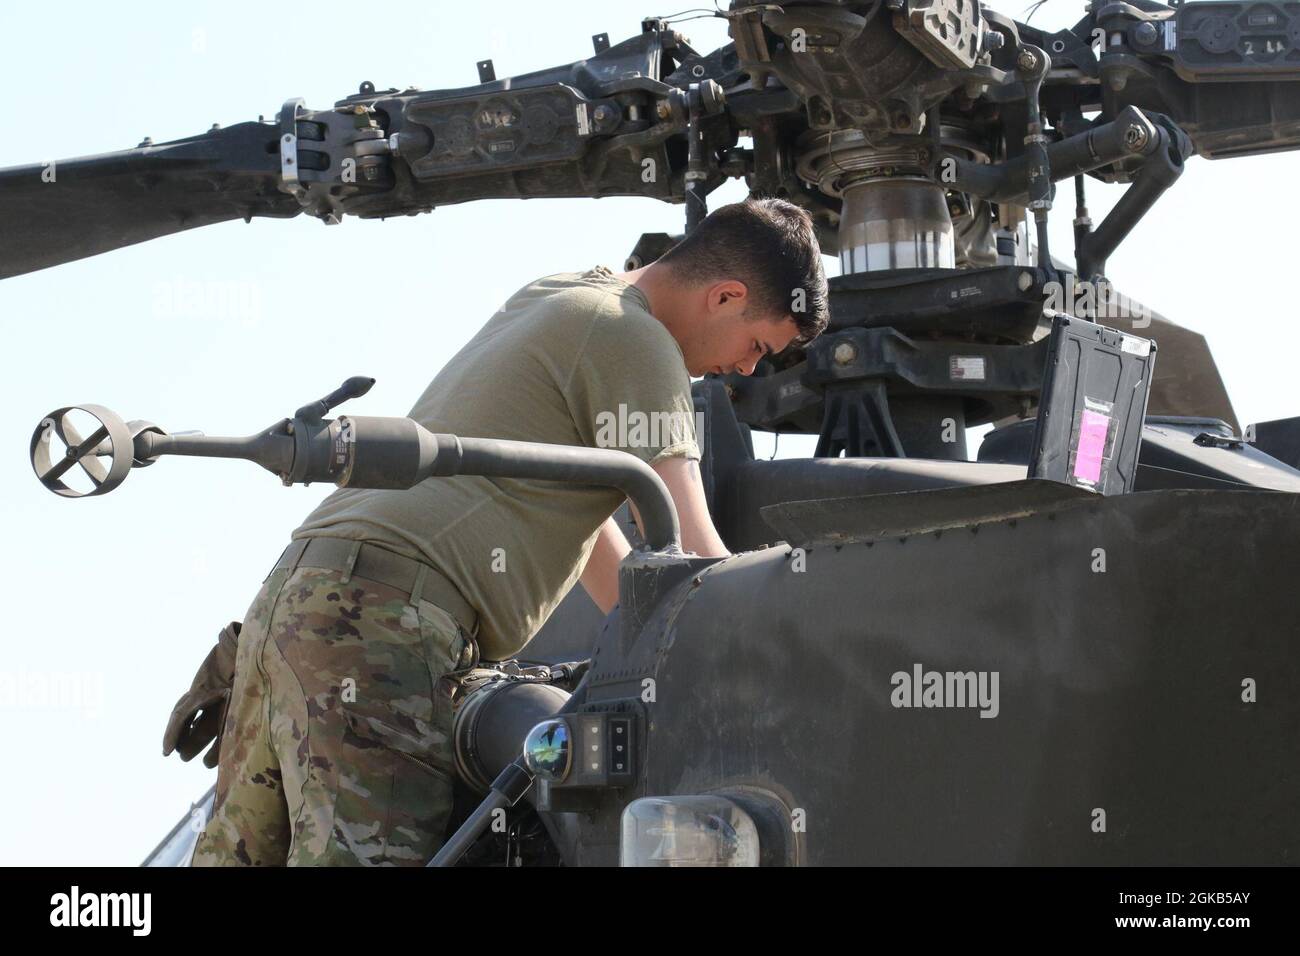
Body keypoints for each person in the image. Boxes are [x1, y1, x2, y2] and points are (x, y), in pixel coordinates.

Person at [170, 197, 829, 865]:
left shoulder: (563, 296)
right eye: (757, 346)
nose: (746, 371)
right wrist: (793, 657)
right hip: (381, 627)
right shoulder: (640, 342)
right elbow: (693, 558)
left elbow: (597, 528)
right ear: (725, 296)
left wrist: (642, 657)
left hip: (299, 596)